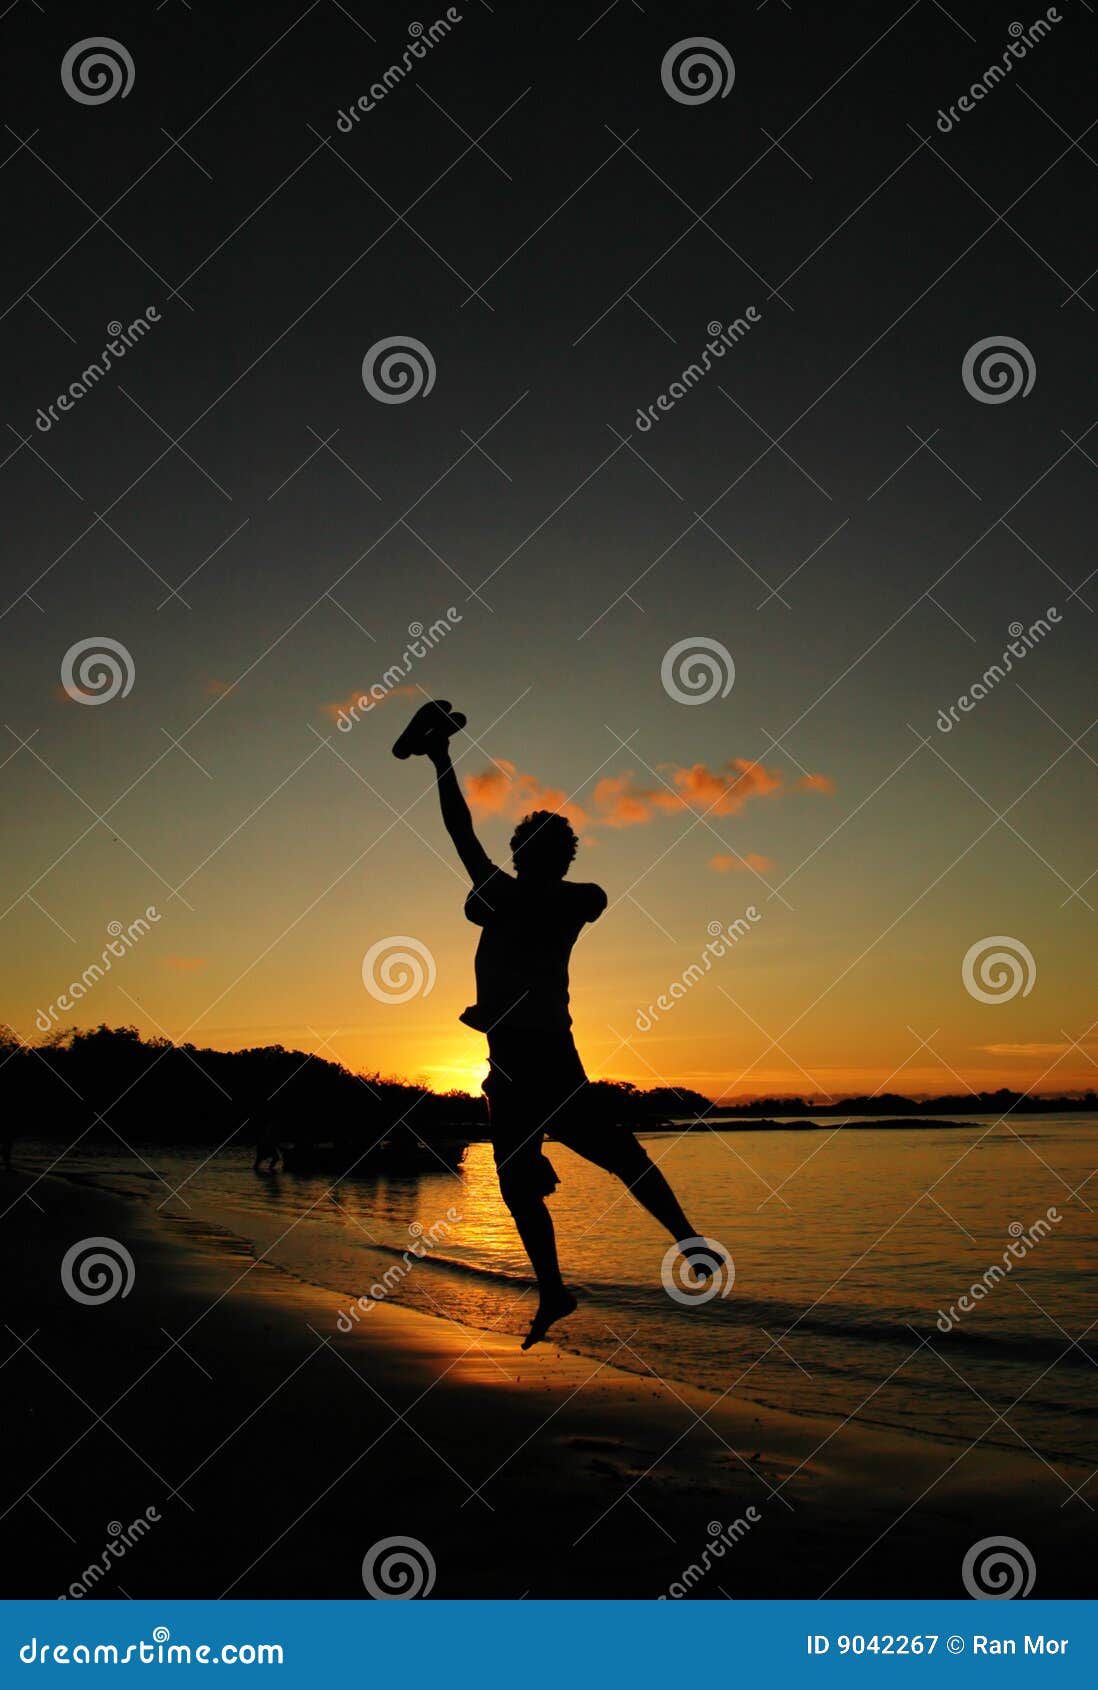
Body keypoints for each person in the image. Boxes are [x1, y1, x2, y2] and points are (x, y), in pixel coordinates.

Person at [399, 700, 724, 1349]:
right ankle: (569, 1283)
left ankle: (655, 1250)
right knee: (545, 1176)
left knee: (587, 1165)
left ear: (530, 855)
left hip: (539, 1058)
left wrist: (443, 761)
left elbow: (467, 836)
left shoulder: (526, 896)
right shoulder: (527, 896)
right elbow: (470, 839)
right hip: (517, 1060)